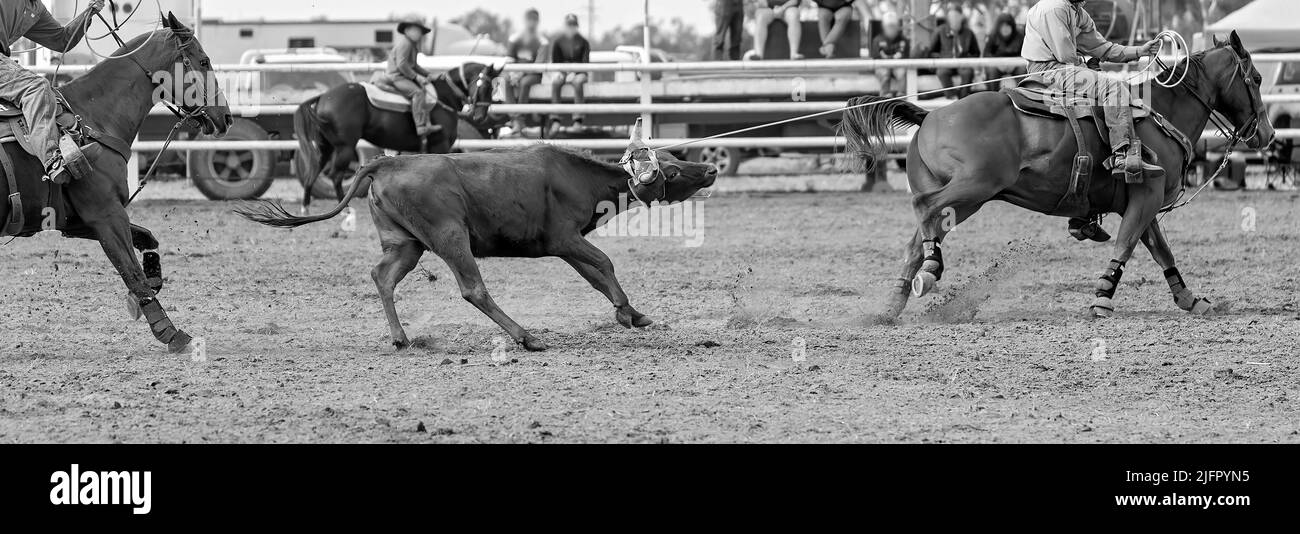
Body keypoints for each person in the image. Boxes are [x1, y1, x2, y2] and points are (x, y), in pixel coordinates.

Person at [1021, 0, 1161, 241]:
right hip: (1052, 71)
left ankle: (1088, 210)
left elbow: (1102, 47)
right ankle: (1122, 153)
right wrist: (1086, 65)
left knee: (1104, 93)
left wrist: (1138, 51)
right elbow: (1066, 55)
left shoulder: (1077, 12)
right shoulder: (1057, 8)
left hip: (1060, 68)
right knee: (1114, 89)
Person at [0, 0, 104, 183]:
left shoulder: (35, 8)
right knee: (37, 87)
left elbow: (61, 40)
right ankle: (53, 161)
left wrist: (89, 12)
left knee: (52, 99)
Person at [383, 19, 437, 137]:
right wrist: (417, 77)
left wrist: (427, 74)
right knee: (418, 93)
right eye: (415, 31)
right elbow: (402, 65)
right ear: (407, 31)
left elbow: (414, 65)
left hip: (402, 76)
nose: (419, 34)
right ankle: (420, 126)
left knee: (422, 91)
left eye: (419, 32)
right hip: (396, 77)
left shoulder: (411, 45)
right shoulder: (406, 44)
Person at [505, 8, 547, 132]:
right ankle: (513, 118)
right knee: (504, 80)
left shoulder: (542, 41)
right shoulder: (514, 39)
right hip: (516, 73)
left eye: (534, 20)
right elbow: (509, 60)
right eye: (529, 19)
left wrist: (520, 73)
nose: (531, 23)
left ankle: (519, 119)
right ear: (525, 21)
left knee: (525, 82)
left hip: (533, 75)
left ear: (538, 22)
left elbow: (539, 65)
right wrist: (513, 74)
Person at [549, 13, 590, 136]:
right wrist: (563, 72)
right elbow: (555, 61)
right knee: (556, 82)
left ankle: (578, 120)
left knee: (578, 82)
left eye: (573, 24)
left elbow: (585, 62)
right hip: (562, 71)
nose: (571, 27)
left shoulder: (583, 42)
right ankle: (555, 120)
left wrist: (575, 71)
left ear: (576, 26)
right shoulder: (558, 41)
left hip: (580, 72)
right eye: (569, 24)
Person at [929, 5, 981, 99]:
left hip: (962, 63)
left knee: (968, 72)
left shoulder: (968, 33)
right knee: (941, 72)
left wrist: (967, 60)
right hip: (946, 62)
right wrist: (941, 58)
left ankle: (963, 98)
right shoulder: (940, 31)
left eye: (956, 16)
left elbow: (976, 52)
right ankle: (952, 97)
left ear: (961, 16)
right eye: (951, 17)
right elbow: (931, 51)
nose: (954, 19)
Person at [871, 11, 910, 97]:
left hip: (898, 66)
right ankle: (885, 98)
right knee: (884, 73)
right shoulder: (877, 39)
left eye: (893, 26)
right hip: (882, 67)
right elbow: (875, 56)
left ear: (897, 26)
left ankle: (902, 98)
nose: (891, 28)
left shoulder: (903, 40)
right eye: (889, 26)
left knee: (902, 72)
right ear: (884, 27)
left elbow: (905, 56)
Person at [983, 12, 1025, 91]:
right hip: (997, 65)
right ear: (998, 27)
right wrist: (997, 63)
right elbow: (986, 54)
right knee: (992, 70)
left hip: (1015, 65)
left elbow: (1025, 54)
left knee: (1023, 68)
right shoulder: (992, 36)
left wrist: (1014, 63)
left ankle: (1022, 96)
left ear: (1012, 26)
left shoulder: (1019, 36)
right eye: (1002, 26)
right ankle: (992, 96)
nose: (1005, 29)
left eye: (1007, 25)